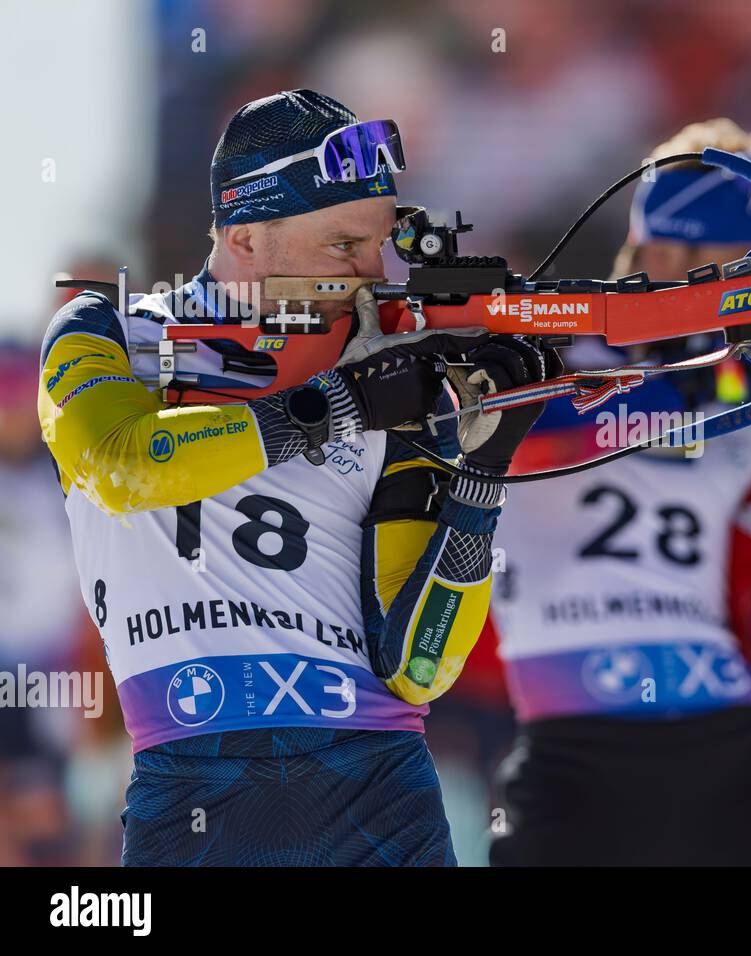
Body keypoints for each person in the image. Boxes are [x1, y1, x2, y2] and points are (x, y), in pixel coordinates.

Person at [37, 89, 551, 866]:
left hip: (381, 791)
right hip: (195, 787)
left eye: (381, 245)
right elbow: (124, 467)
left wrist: (480, 479)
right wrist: (333, 407)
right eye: (343, 245)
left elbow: (421, 669)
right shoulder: (108, 331)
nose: (371, 273)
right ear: (245, 235)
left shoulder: (384, 363)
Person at [485, 119, 751, 866]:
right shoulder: (543, 354)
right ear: (659, 252)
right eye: (736, 275)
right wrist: (702, 387)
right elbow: (515, 444)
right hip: (572, 761)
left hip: (729, 759)